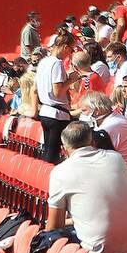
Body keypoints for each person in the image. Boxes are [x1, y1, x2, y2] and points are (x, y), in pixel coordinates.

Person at [46, 121, 127, 253]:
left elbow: (55, 227)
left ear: (64, 149)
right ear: (93, 141)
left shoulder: (60, 172)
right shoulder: (116, 158)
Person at [36, 32, 80, 164]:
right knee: (52, 155)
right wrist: (71, 80)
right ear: (65, 47)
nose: (71, 53)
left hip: (45, 111)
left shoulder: (44, 62)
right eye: (71, 50)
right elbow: (58, 92)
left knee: (48, 151)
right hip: (56, 115)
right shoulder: (57, 63)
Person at [82, 92, 127, 172]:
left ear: (97, 111)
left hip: (125, 170)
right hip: (117, 166)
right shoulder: (112, 119)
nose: (82, 114)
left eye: (84, 110)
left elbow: (92, 154)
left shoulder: (110, 126)